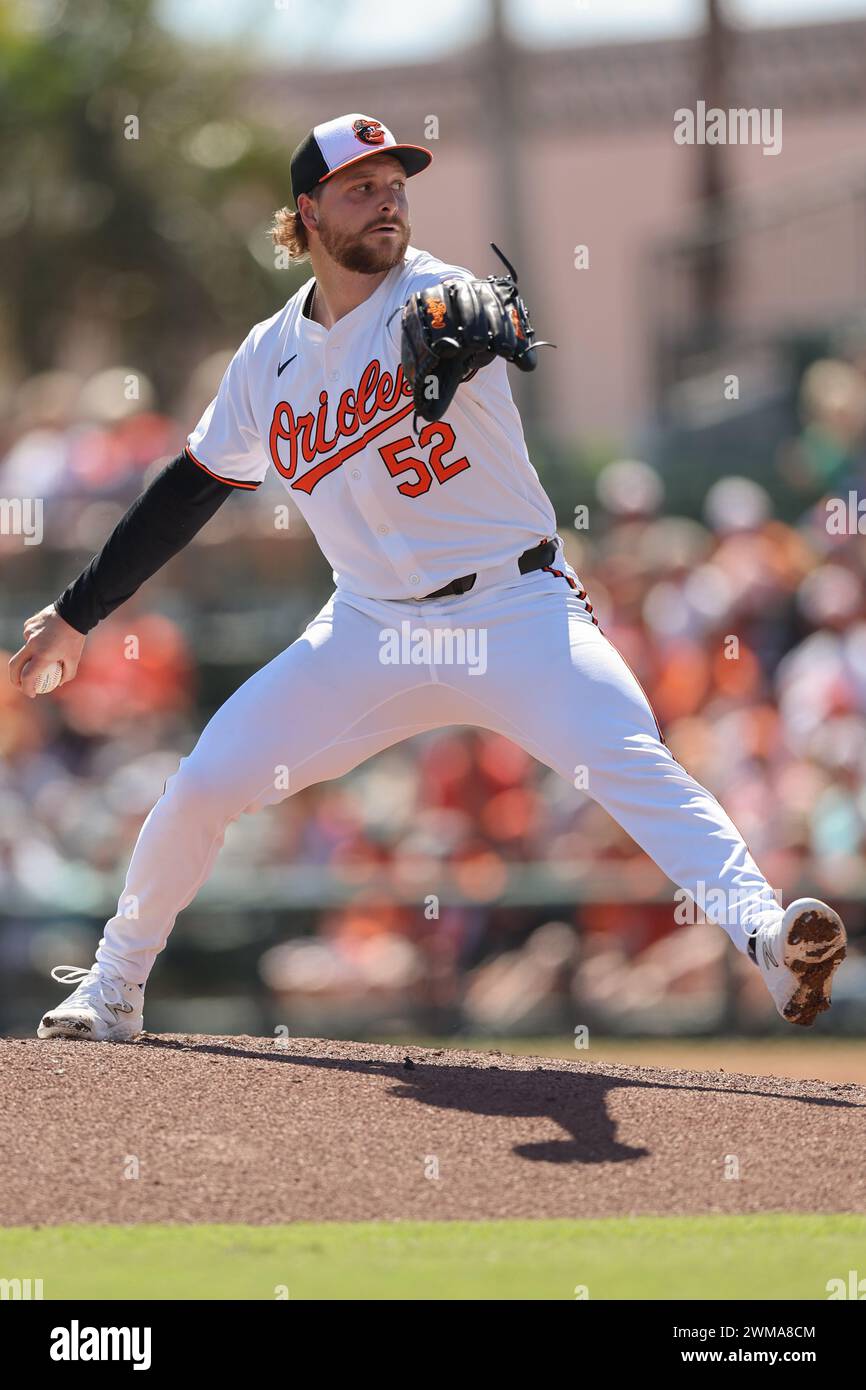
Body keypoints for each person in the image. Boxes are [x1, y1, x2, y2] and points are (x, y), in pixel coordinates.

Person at [11, 113, 846, 1042]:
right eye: (361, 188)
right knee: (205, 781)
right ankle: (115, 986)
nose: (387, 203)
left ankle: (768, 940)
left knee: (630, 758)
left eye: (397, 186)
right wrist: (78, 614)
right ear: (308, 211)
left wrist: (488, 317)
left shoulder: (436, 294)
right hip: (369, 628)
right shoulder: (266, 358)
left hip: (516, 607)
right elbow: (189, 491)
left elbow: (480, 308)